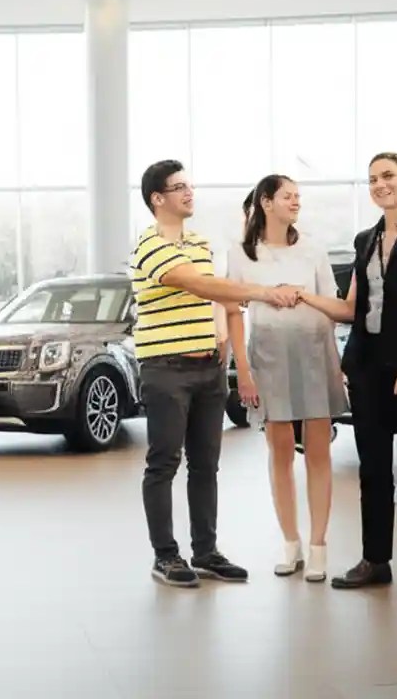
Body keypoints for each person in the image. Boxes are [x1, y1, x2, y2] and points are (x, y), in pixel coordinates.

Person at [131, 159, 300, 588]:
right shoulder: (149, 245)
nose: (190, 193)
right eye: (179, 187)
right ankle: (165, 556)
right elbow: (202, 287)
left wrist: (230, 356)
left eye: (191, 185)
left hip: (208, 367)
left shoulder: (201, 243)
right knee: (164, 463)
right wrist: (263, 292)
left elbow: (217, 304)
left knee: (206, 465)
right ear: (158, 198)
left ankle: (205, 552)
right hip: (165, 369)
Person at [299, 152, 397, 597]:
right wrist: (306, 298)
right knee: (372, 468)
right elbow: (352, 308)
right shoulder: (365, 239)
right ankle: (376, 559)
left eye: (388, 176)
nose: (380, 184)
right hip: (370, 368)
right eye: (372, 179)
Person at [225, 174, 348, 583]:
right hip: (268, 357)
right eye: (287, 196)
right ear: (266, 202)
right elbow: (232, 312)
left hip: (315, 353)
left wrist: (337, 361)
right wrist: (243, 370)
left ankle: (318, 546)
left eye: (298, 196)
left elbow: (334, 305)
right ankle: (290, 542)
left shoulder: (313, 249)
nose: (296, 202)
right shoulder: (243, 254)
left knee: (318, 451)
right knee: (278, 453)